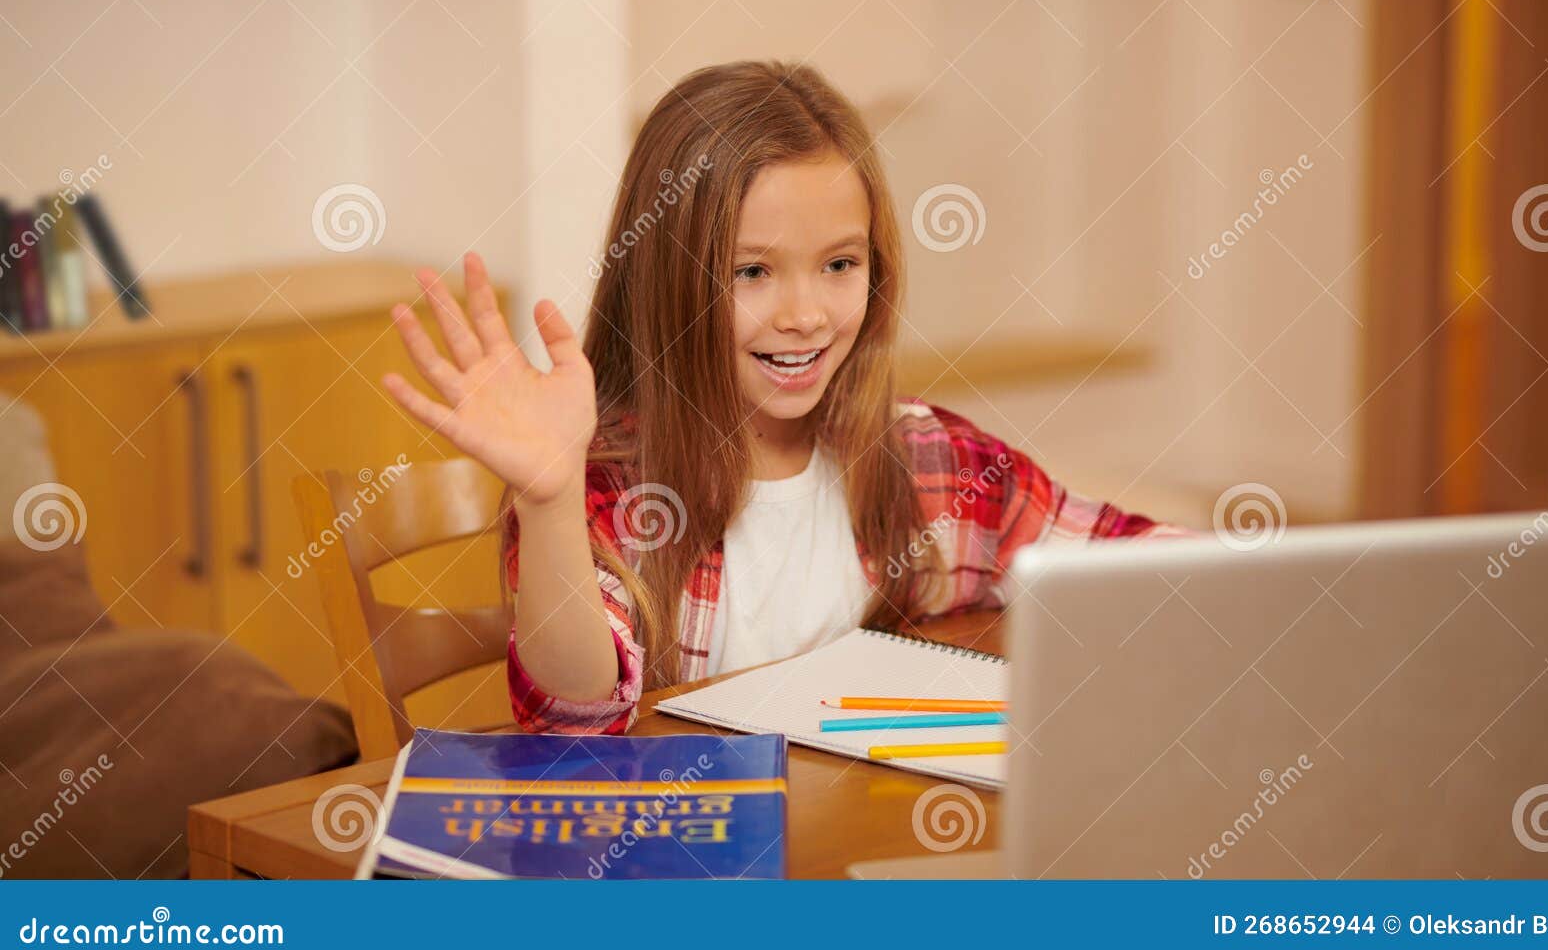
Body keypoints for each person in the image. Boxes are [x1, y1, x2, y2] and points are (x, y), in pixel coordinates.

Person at [382, 60, 1186, 735]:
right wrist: (551, 502)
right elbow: (574, 719)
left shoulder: (923, 455)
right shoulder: (615, 483)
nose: (805, 314)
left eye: (839, 264)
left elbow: (1130, 565)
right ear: (668, 282)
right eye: (752, 271)